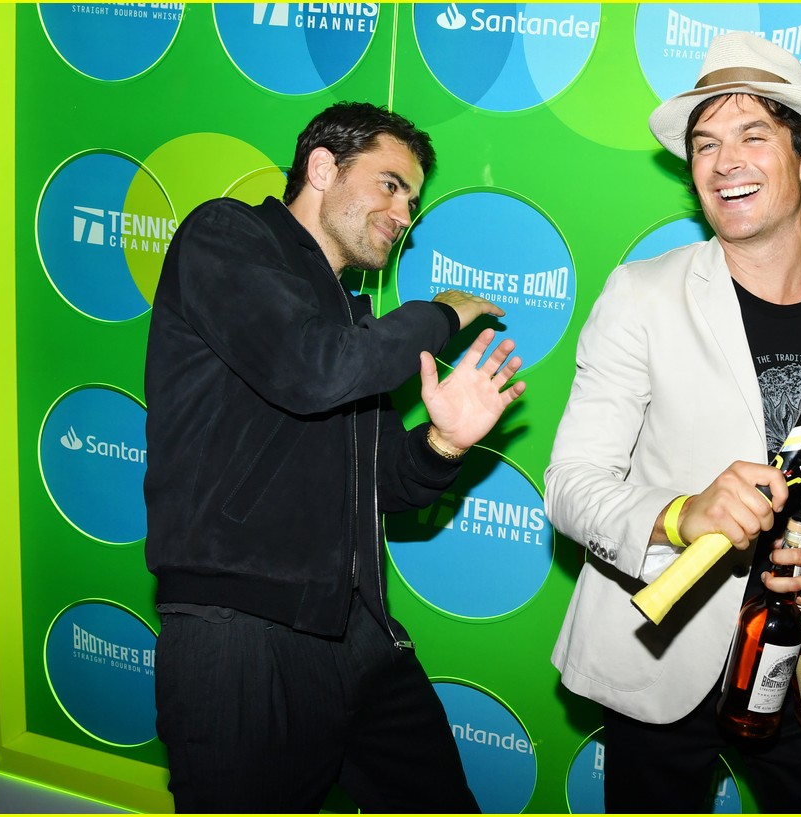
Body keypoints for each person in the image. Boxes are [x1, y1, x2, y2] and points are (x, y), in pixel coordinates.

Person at [545, 32, 801, 812]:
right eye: (705, 144)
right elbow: (571, 486)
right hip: (662, 661)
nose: (725, 163)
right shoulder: (641, 294)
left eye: (754, 135)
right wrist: (682, 515)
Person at [143, 101, 525, 813]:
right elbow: (310, 370)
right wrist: (439, 313)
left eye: (413, 198)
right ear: (322, 167)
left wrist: (444, 443)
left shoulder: (352, 319)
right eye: (389, 184)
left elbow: (380, 480)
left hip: (356, 636)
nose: (404, 210)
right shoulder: (225, 237)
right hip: (241, 636)